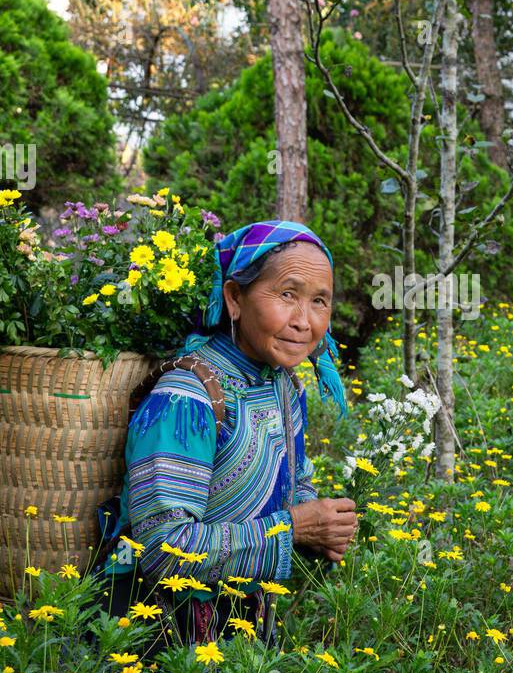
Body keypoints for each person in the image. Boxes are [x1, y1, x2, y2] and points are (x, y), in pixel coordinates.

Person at [96, 220, 357, 646]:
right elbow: (164, 548)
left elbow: (296, 480)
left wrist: (321, 522)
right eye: (287, 295)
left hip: (242, 637)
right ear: (235, 298)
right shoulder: (187, 399)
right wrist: (293, 529)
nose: (304, 321)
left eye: (320, 302)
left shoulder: (286, 386)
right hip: (157, 644)